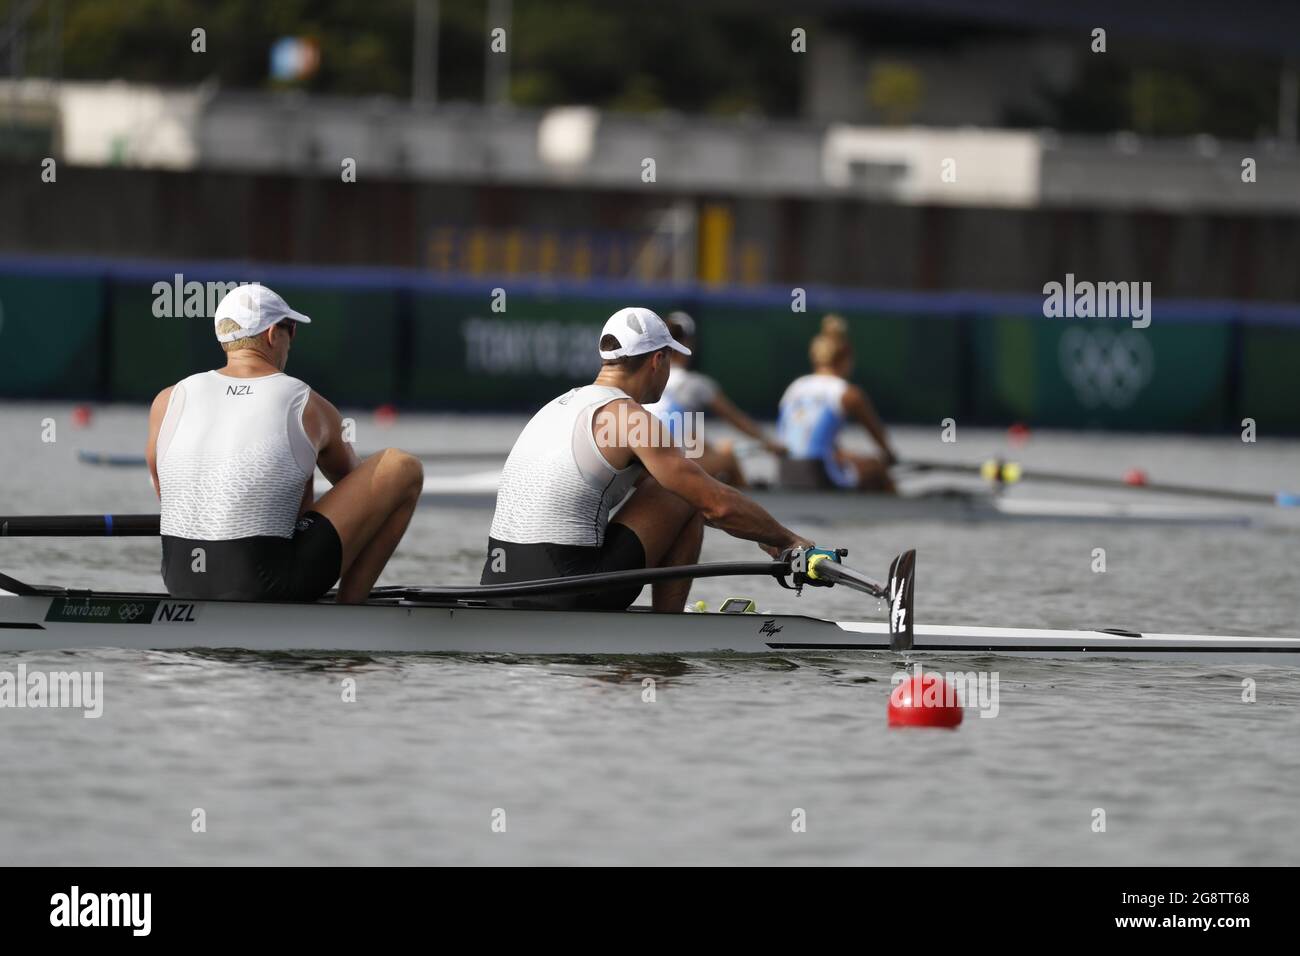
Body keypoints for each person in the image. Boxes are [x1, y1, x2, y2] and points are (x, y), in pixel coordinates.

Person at [481, 306, 814, 612]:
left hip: (496, 585)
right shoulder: (631, 419)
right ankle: (666, 629)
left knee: (673, 487)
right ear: (658, 360)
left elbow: (692, 511)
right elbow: (715, 505)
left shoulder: (557, 406)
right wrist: (787, 540)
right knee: (680, 489)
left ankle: (663, 625)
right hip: (567, 590)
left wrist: (761, 533)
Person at [145, 284, 424, 604]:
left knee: (291, 468)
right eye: (291, 329)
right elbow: (360, 488)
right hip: (264, 582)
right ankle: (350, 613)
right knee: (400, 467)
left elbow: (164, 492)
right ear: (271, 334)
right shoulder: (308, 404)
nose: (291, 341)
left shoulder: (167, 400)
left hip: (180, 578)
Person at [643, 310, 786, 487]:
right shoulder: (696, 384)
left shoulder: (646, 378)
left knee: (721, 447)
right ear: (689, 344)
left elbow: (682, 434)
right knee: (728, 457)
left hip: (646, 464)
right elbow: (736, 419)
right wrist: (769, 443)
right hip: (670, 465)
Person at [776, 314, 898, 492]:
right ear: (846, 359)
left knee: (853, 462)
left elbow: (802, 435)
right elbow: (878, 436)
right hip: (815, 471)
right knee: (875, 467)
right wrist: (889, 456)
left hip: (785, 470)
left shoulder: (795, 387)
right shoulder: (847, 393)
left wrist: (845, 455)